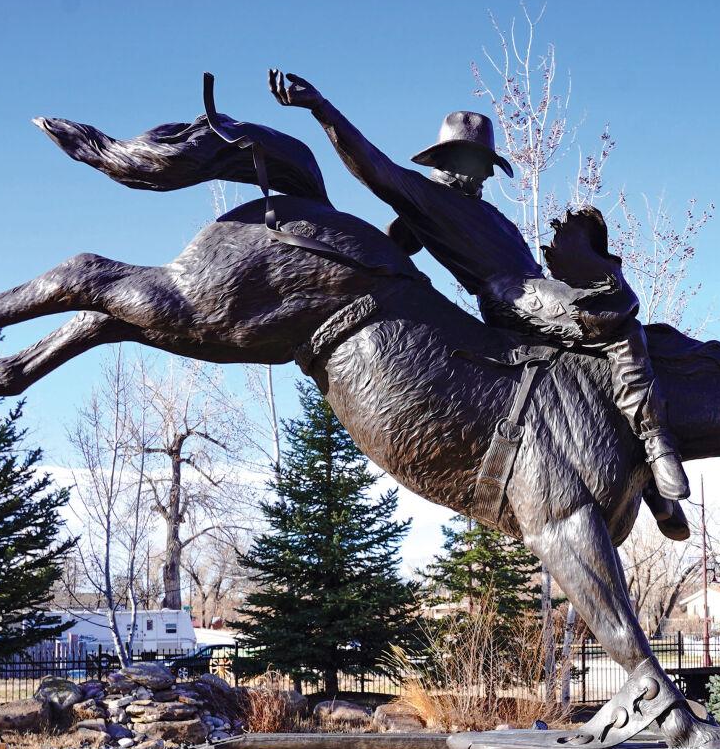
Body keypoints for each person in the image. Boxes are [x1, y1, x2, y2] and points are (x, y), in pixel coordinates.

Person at [268, 70, 691, 520]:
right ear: (447, 160)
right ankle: (656, 442)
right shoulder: (427, 197)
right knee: (615, 320)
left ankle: (644, 481)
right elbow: (373, 167)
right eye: (472, 162)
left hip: (536, 294)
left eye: (484, 164)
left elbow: (405, 239)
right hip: (513, 297)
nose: (481, 173)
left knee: (611, 356)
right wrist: (321, 108)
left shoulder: (489, 215)